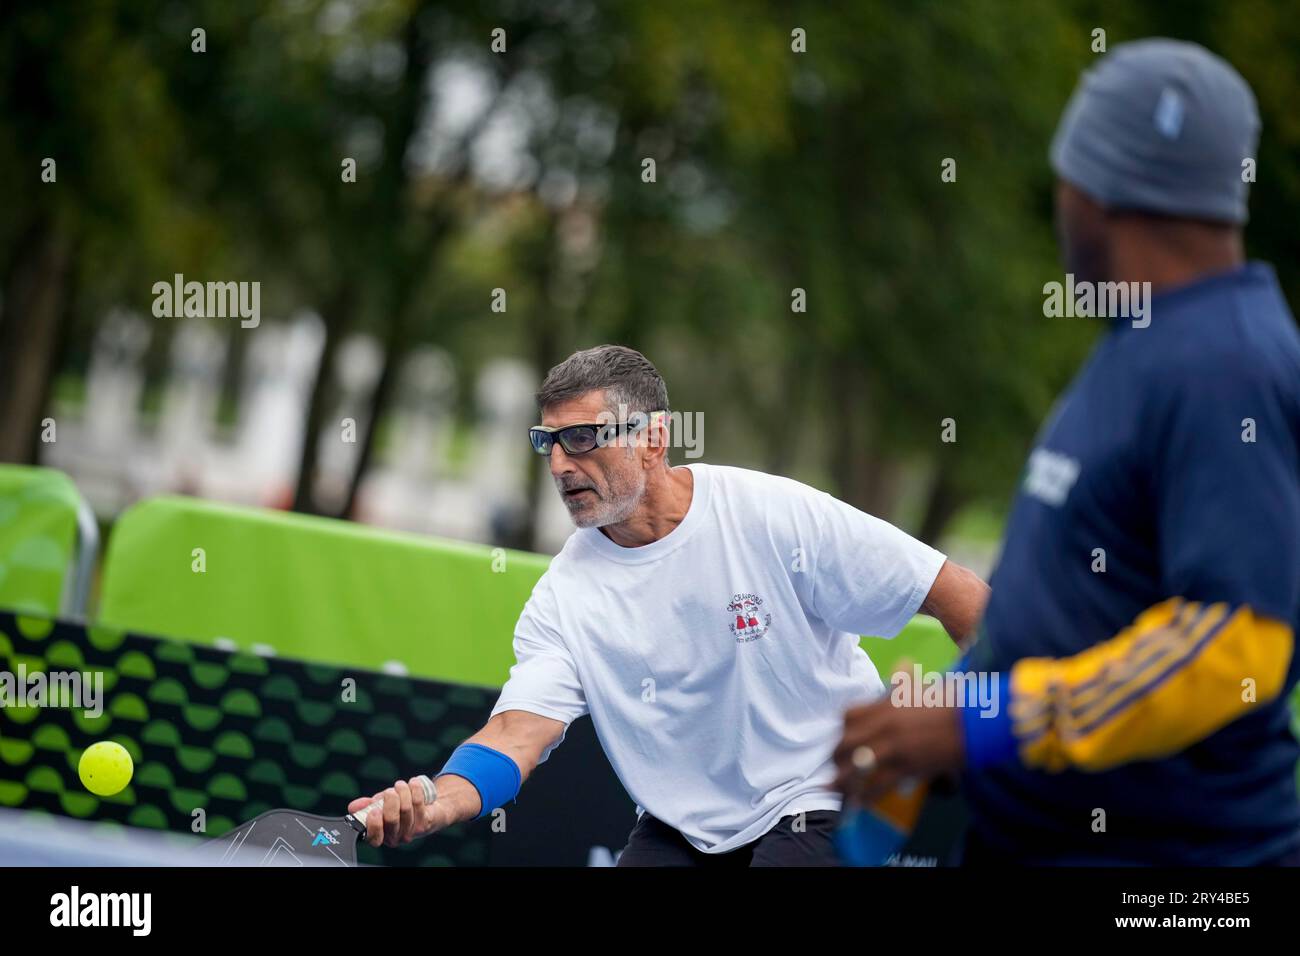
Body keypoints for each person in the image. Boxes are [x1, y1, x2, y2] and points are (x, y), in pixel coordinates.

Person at [832, 39, 1300, 865]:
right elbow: (1089, 603)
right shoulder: (1147, 341)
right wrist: (942, 718)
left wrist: (979, 723)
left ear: (1097, 191)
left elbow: (1238, 645)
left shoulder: (1229, 360)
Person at [352, 343, 989, 865]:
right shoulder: (563, 597)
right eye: (549, 443)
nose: (561, 466)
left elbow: (962, 597)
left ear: (654, 438)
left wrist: (1008, 732)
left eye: (583, 438)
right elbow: (517, 735)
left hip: (820, 797)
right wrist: (437, 799)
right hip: (682, 831)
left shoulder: (776, 514)